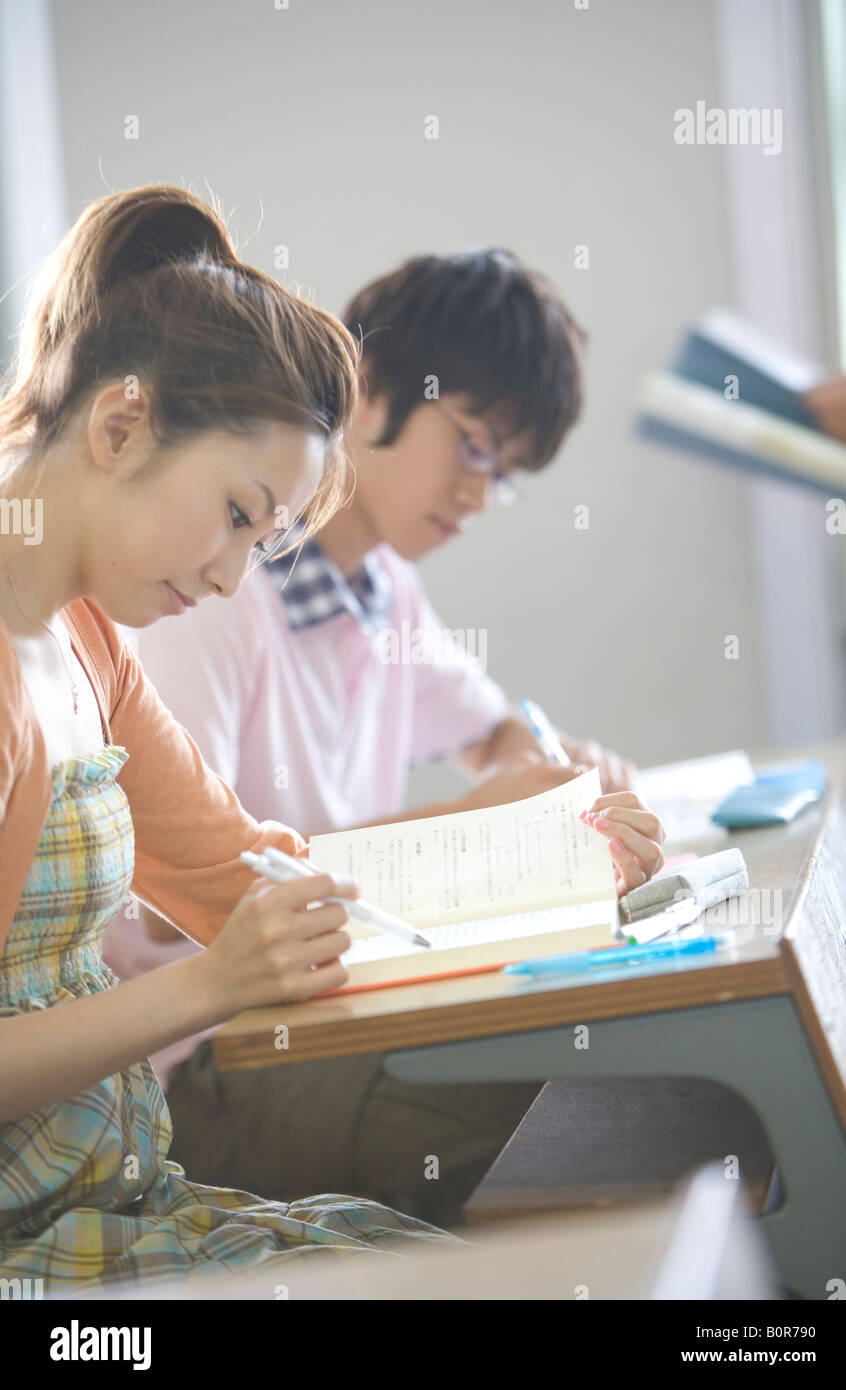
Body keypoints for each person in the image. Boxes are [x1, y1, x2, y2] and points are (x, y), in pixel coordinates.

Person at [103, 249, 665, 1225]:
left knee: (618, 1045)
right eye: (476, 448)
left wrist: (547, 774)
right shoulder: (212, 589)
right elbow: (167, 907)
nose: (479, 495)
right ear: (367, 390)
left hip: (338, 1006)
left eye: (509, 474)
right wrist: (460, 826)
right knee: (608, 1092)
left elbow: (492, 728)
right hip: (210, 1058)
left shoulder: (381, 588)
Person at [0, 185, 471, 1294]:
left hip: (112, 1199)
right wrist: (207, 987)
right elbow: (227, 945)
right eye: (239, 513)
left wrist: (552, 863)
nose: (228, 577)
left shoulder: (84, 643)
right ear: (120, 427)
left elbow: (240, 870)